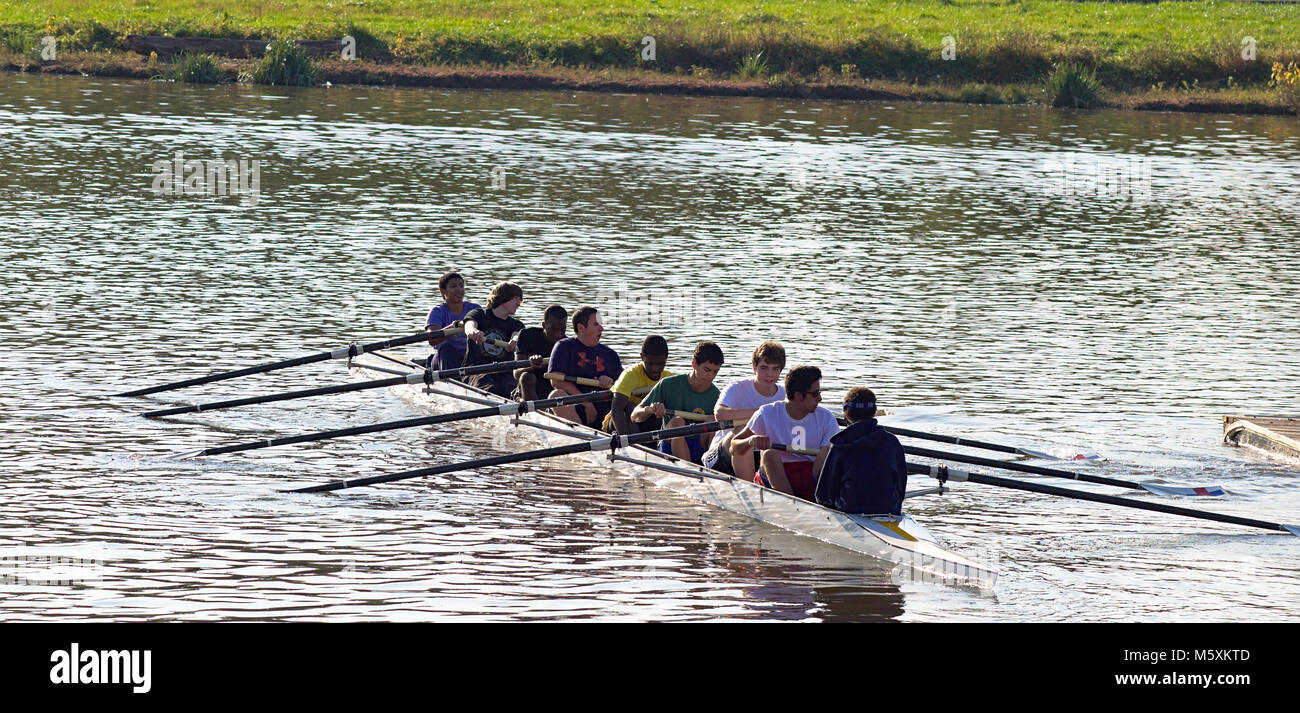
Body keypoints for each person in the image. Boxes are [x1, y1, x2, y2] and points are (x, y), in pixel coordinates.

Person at [729, 365, 838, 501]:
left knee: (827, 454)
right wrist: (751, 440)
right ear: (798, 395)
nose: (820, 399)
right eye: (815, 394)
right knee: (769, 454)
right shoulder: (767, 413)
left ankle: (814, 502)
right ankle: (790, 503)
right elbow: (734, 447)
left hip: (811, 476)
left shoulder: (826, 417)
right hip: (775, 474)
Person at [703, 340, 786, 482]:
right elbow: (720, 414)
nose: (770, 374)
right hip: (722, 456)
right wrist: (761, 414)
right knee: (744, 429)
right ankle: (750, 488)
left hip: (760, 455)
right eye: (764, 368)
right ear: (754, 367)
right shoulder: (737, 388)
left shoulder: (784, 394)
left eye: (775, 369)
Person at [816, 388, 908, 515]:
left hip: (849, 510)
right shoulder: (892, 442)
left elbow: (823, 495)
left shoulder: (840, 444)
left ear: (845, 412)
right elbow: (901, 487)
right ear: (874, 411)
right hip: (888, 510)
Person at [632, 342, 723, 463]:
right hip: (669, 446)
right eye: (706, 370)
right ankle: (688, 471)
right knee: (677, 421)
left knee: (712, 420)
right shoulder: (668, 385)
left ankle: (711, 467)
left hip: (700, 446)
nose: (710, 376)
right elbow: (634, 416)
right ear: (694, 364)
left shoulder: (717, 396)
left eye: (715, 372)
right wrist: (650, 409)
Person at [547, 306, 623, 427]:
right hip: (575, 407)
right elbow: (556, 380)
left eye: (601, 324)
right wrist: (585, 402)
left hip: (605, 410)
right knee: (556, 395)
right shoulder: (564, 346)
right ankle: (580, 439)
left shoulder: (610, 354)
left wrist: (610, 382)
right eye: (596, 324)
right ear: (581, 328)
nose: (601, 328)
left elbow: (623, 385)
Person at [460, 282, 525, 398]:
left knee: (516, 391)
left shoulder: (516, 324)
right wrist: (474, 332)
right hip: (476, 370)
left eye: (520, 299)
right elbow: (469, 326)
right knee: (490, 390)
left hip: (504, 372)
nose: (519, 303)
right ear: (503, 297)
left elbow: (517, 335)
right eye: (516, 298)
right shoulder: (479, 314)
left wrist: (515, 340)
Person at [604, 335, 671, 434]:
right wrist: (626, 442)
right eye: (650, 364)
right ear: (642, 357)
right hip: (619, 424)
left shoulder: (669, 379)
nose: (655, 369)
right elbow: (616, 410)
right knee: (631, 406)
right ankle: (635, 443)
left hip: (646, 423)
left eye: (660, 364)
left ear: (666, 358)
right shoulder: (630, 375)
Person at [425, 271, 482, 370]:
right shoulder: (437, 311)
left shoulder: (474, 309)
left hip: (469, 358)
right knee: (446, 348)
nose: (459, 290)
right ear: (443, 291)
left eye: (461, 286)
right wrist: (454, 326)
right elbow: (432, 339)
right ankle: (450, 381)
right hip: (445, 359)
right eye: (453, 286)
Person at [514, 304, 567, 402]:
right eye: (553, 329)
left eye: (562, 329)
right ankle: (534, 413)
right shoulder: (527, 335)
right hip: (528, 387)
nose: (558, 335)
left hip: (554, 389)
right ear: (543, 325)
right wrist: (532, 366)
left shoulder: (567, 344)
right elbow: (516, 373)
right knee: (527, 376)